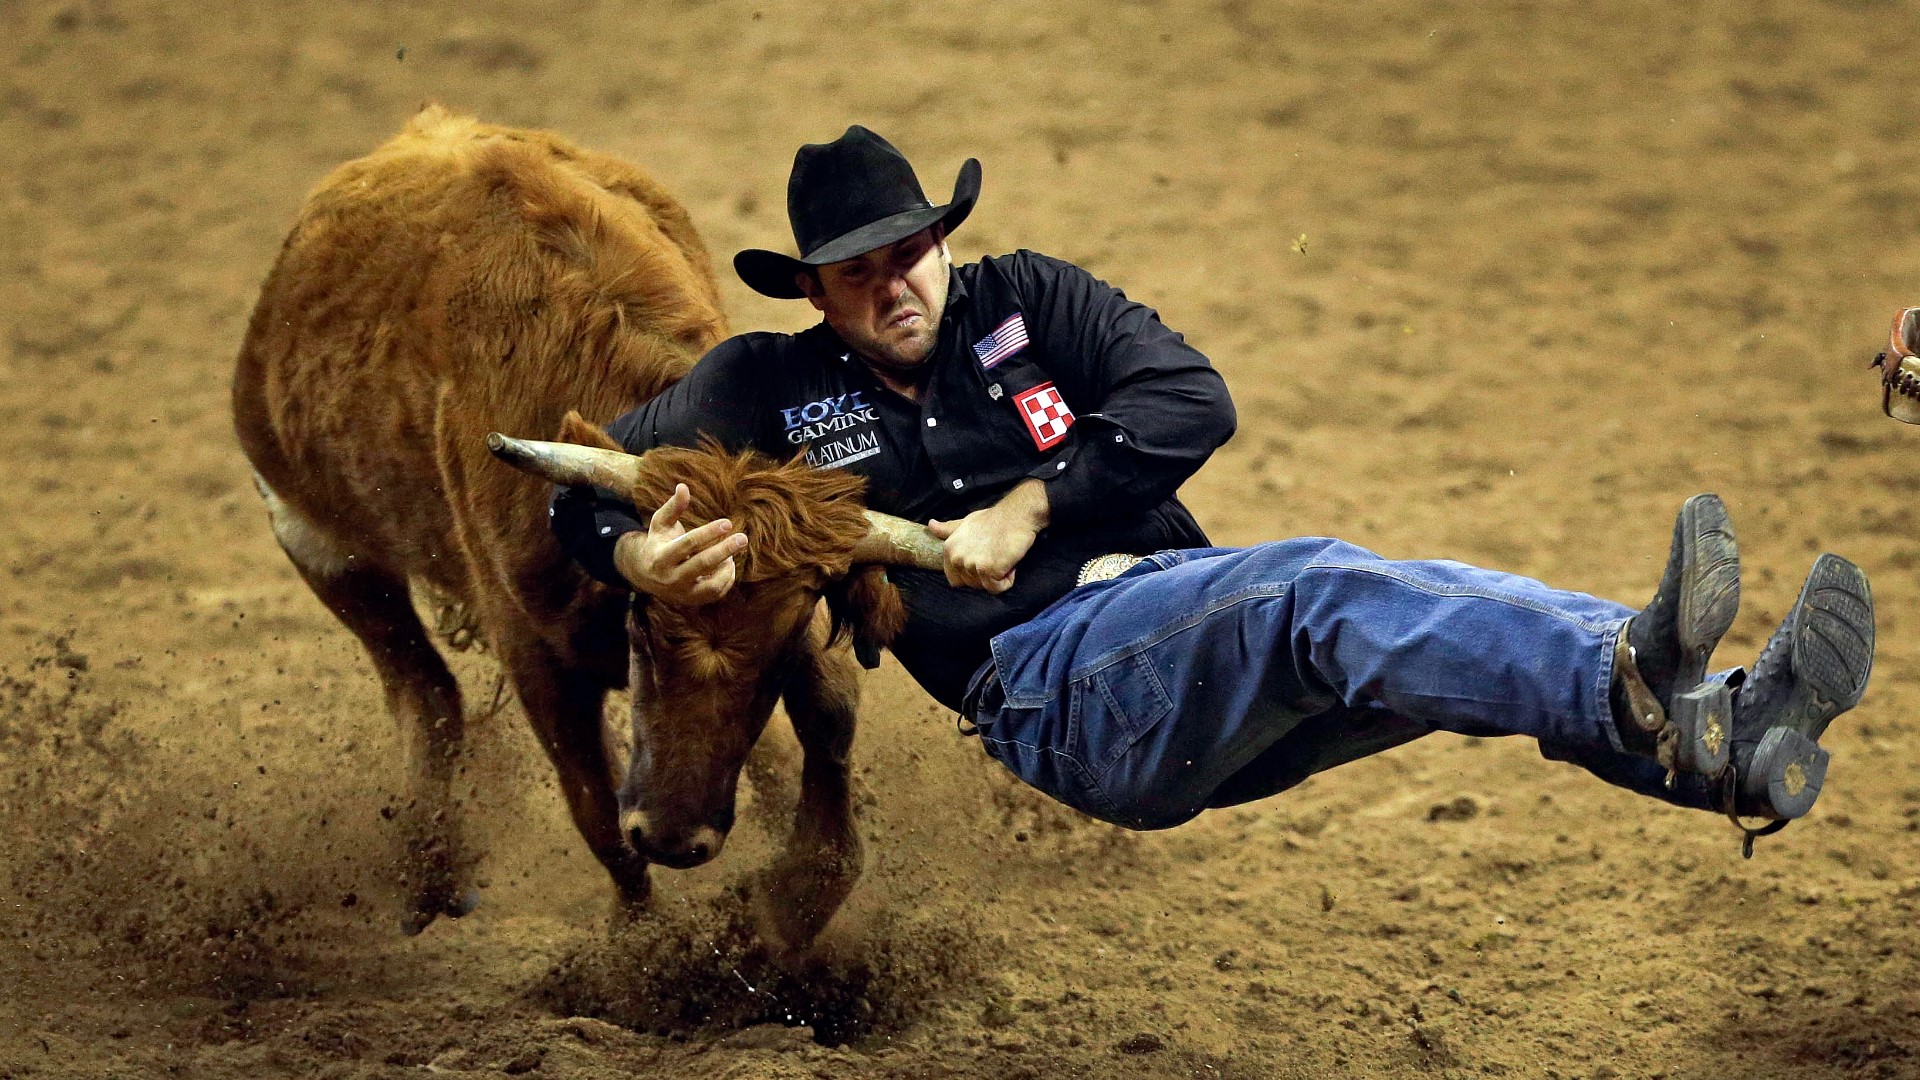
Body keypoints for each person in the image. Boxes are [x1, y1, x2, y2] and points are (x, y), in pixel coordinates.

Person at [552, 126, 1876, 857]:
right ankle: (1630, 666)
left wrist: (1035, 505)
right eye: (858, 271)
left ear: (942, 243)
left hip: (1177, 635)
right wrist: (632, 563)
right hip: (1057, 692)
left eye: (911, 253)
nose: (894, 284)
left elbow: (1195, 400)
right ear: (814, 290)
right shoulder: (763, 384)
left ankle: (1728, 746)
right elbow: (581, 487)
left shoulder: (1033, 304)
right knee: (1325, 586)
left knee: (1409, 629)